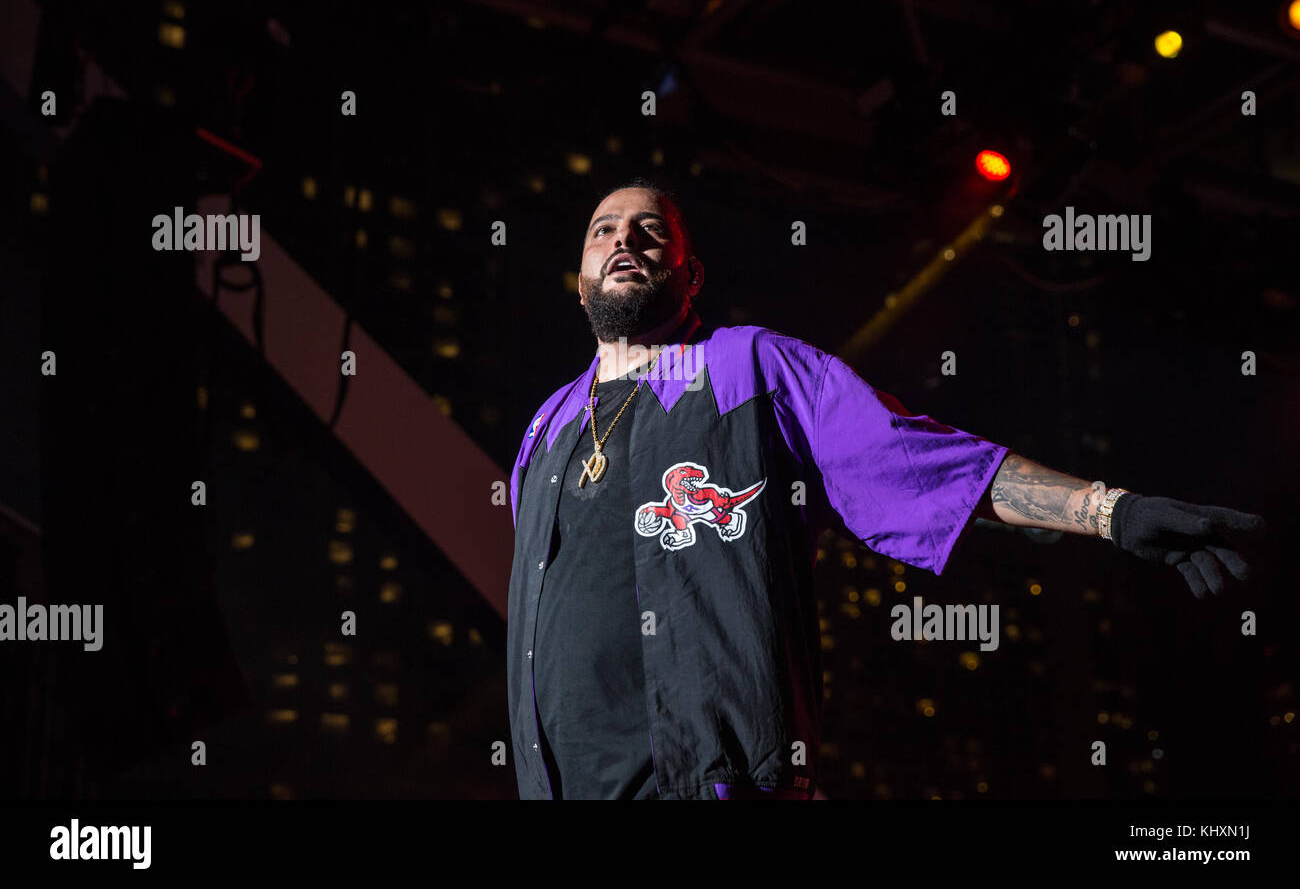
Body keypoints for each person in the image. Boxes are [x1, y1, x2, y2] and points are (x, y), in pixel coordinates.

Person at [504, 177, 1266, 800]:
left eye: (650, 229)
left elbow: (918, 462)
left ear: (690, 273)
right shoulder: (547, 427)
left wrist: (1109, 510)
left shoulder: (753, 368)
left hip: (710, 782)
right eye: (604, 230)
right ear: (579, 282)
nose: (625, 241)